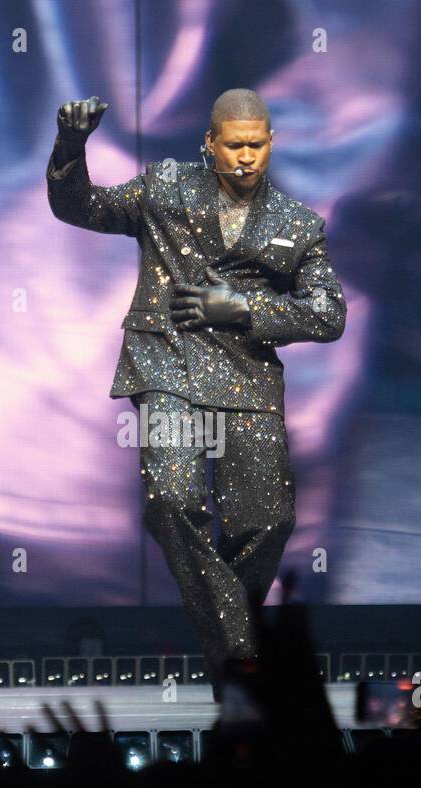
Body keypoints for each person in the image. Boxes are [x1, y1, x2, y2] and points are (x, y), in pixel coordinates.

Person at [46, 90, 345, 695]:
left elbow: (328, 314)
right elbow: (80, 207)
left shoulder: (296, 223)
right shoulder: (166, 187)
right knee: (171, 501)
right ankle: (243, 655)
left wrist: (244, 307)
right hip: (167, 366)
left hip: (249, 380)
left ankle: (232, 666)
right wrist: (71, 145)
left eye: (256, 146)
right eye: (233, 146)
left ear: (271, 143)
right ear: (209, 144)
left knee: (268, 522)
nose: (245, 158)